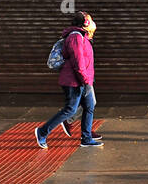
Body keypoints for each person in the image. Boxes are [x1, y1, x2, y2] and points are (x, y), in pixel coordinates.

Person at [35, 11, 102, 149]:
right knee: (70, 110)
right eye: (90, 20)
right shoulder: (75, 37)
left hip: (83, 79)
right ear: (85, 23)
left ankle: (86, 138)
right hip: (74, 81)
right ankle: (42, 132)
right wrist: (84, 79)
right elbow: (79, 62)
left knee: (89, 106)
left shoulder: (83, 36)